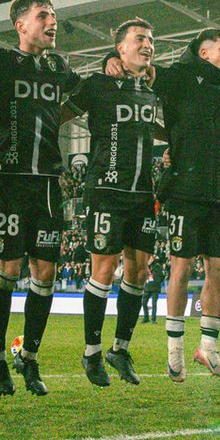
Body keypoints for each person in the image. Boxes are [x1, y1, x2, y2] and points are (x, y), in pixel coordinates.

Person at [0, 0, 81, 397]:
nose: (52, 22)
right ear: (20, 25)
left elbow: (85, 95)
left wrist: (112, 64)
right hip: (8, 179)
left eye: (53, 16)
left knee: (46, 271)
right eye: (43, 16)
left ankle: (29, 356)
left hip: (49, 182)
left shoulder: (58, 67)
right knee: (8, 266)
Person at [68, 22, 160, 389]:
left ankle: (120, 349)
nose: (148, 45)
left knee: (139, 271)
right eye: (140, 39)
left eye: (151, 40)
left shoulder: (151, 88)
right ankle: (91, 351)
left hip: (143, 193)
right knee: (104, 270)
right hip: (106, 189)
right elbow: (61, 113)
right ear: (120, 49)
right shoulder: (98, 84)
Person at [150, 28, 220, 382]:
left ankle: (208, 348)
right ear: (204, 53)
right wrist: (114, 59)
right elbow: (145, 74)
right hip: (187, 190)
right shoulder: (181, 76)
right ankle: (174, 351)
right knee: (182, 266)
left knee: (219, 268)